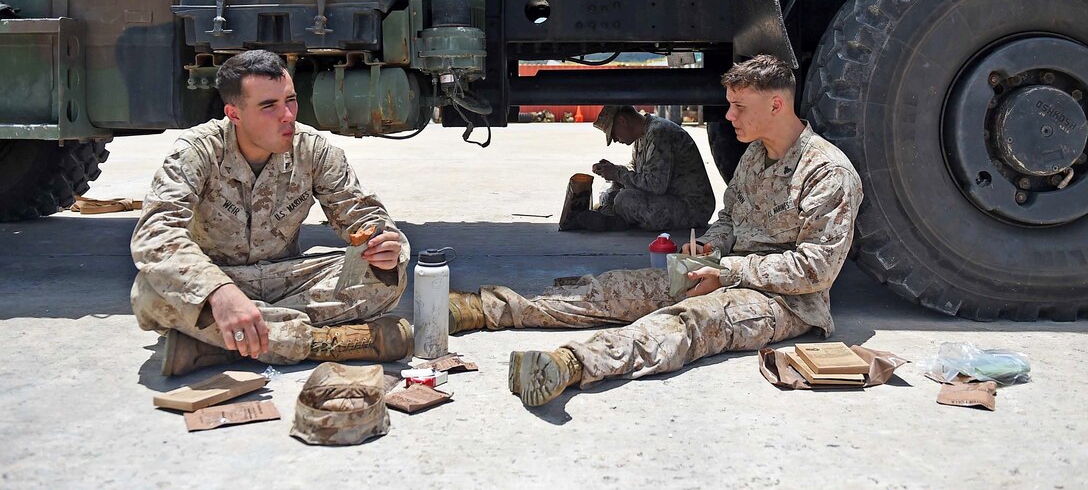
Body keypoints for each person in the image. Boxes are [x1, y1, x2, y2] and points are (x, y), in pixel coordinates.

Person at [449, 54, 863, 406]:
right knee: (617, 288)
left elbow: (817, 269)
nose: (729, 115)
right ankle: (483, 309)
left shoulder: (828, 171)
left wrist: (729, 272)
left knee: (688, 323)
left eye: (739, 106)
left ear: (776, 106)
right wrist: (708, 250)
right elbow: (729, 219)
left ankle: (570, 364)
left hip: (787, 303)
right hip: (723, 272)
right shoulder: (755, 155)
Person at [130, 50, 412, 376]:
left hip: (285, 280)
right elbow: (155, 233)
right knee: (148, 293)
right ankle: (325, 342)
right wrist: (218, 294)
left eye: (290, 100)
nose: (288, 115)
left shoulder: (314, 150)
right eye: (269, 106)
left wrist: (384, 245)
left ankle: (223, 342)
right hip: (220, 278)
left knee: (385, 279)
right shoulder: (197, 151)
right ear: (234, 114)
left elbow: (360, 215)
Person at [562, 105, 715, 232]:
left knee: (625, 199)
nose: (615, 140)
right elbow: (636, 170)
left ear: (623, 121)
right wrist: (612, 171)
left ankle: (615, 220)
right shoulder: (643, 135)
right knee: (609, 189)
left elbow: (655, 185)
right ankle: (612, 214)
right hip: (671, 198)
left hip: (692, 209)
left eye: (613, 133)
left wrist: (618, 173)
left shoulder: (659, 133)